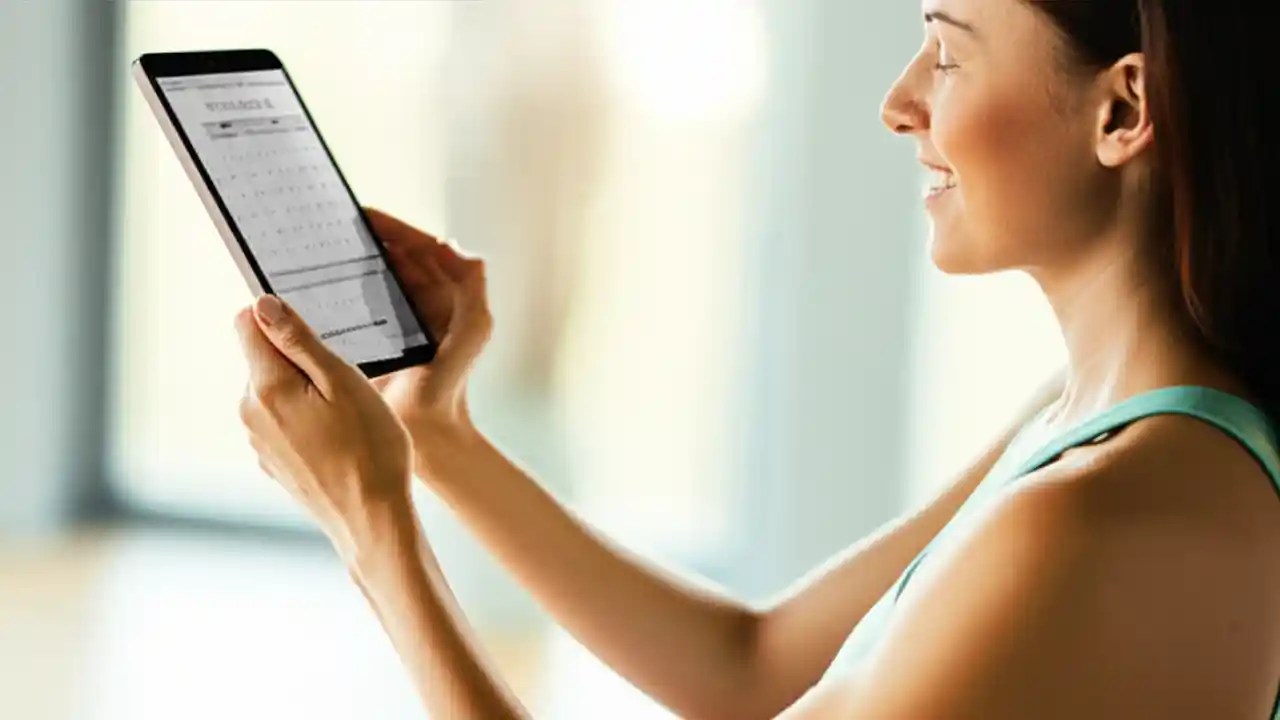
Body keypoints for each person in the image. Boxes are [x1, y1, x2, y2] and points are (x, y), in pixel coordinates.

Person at [230, 0, 1280, 717]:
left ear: (1122, 109)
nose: (899, 101)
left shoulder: (1098, 514)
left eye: (948, 50)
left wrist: (374, 531)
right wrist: (437, 437)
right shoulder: (1090, 421)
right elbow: (752, 672)